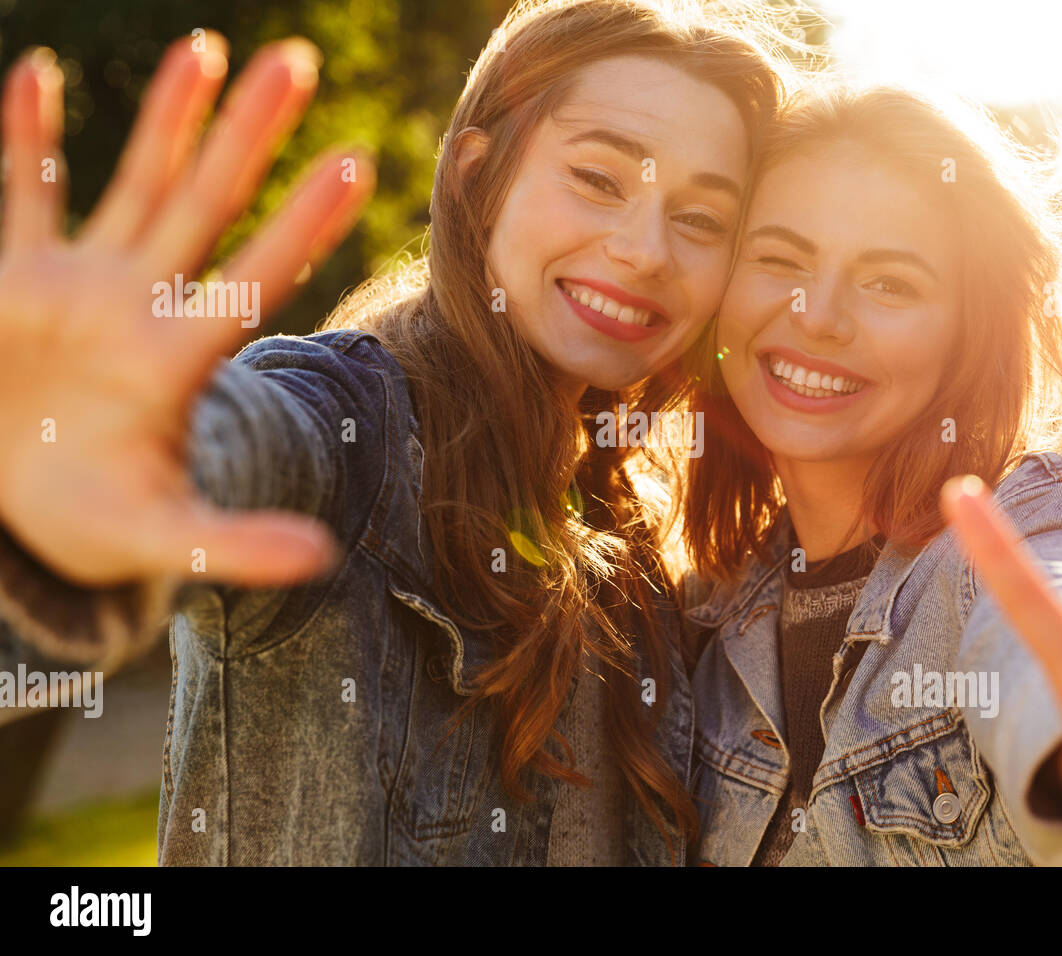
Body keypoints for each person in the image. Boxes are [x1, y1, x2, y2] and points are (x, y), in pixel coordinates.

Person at [0, 0, 791, 865]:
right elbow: (234, 452)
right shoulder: (349, 424)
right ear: (474, 175)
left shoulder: (634, 531)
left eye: (702, 219)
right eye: (598, 179)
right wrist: (46, 523)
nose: (647, 250)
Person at [680, 82, 1062, 866]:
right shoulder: (704, 610)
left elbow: (1059, 613)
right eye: (779, 258)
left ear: (970, 334)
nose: (819, 313)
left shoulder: (1020, 526)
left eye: (890, 283)